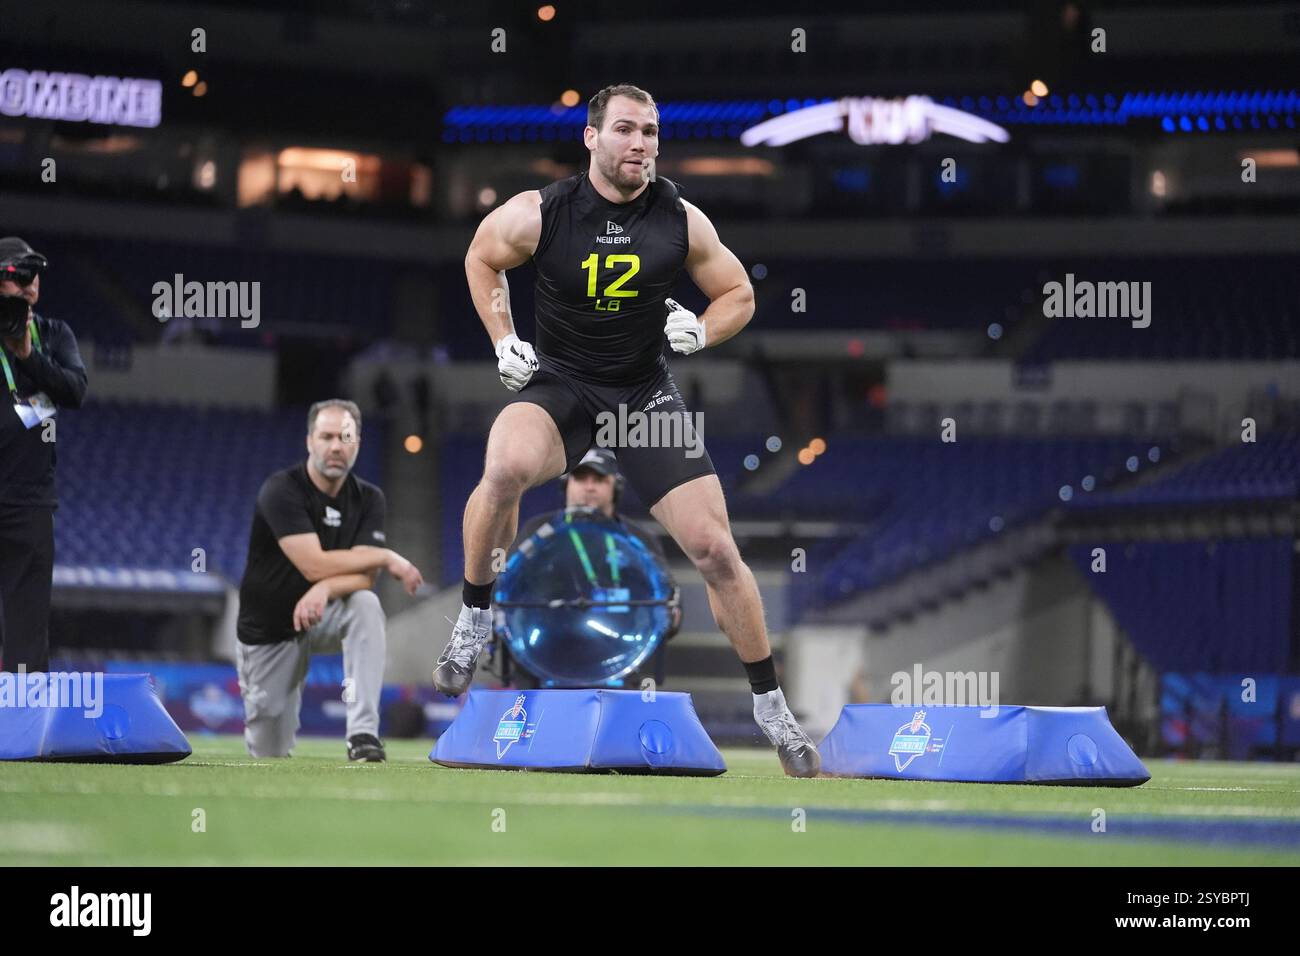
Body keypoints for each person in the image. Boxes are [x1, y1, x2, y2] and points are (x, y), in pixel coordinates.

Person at [436, 84, 819, 777]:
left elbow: (740, 294)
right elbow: (480, 255)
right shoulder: (543, 212)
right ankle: (474, 617)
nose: (640, 143)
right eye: (625, 129)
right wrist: (502, 339)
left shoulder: (680, 217)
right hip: (561, 387)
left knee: (714, 549)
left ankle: (772, 708)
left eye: (649, 131)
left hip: (642, 395)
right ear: (591, 138)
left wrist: (701, 329)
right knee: (504, 467)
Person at [235, 399, 423, 761]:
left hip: (326, 615)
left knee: (366, 605)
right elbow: (314, 565)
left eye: (345, 436)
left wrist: (324, 589)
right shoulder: (281, 490)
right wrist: (387, 556)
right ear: (310, 441)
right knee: (269, 751)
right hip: (270, 629)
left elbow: (364, 577)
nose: (336, 446)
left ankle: (363, 734)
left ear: (358, 443)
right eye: (326, 436)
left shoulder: (370, 498)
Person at [0, 237, 87, 673]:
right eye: (17, 277)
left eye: (34, 277)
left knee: (28, 620)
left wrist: (29, 356)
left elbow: (75, 392)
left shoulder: (53, 334)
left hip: (30, 500)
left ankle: (22, 724)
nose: (29, 286)